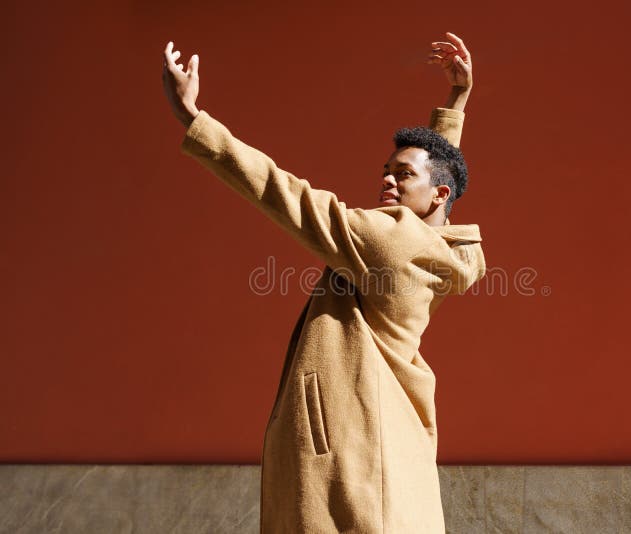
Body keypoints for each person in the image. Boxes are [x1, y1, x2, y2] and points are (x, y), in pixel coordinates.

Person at [161, 32, 486, 534]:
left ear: (434, 192)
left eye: (401, 176)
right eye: (386, 171)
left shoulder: (386, 238)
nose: (387, 181)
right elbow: (440, 187)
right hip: (385, 439)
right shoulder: (438, 250)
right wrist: (455, 106)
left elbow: (284, 193)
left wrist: (194, 119)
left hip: (345, 439)